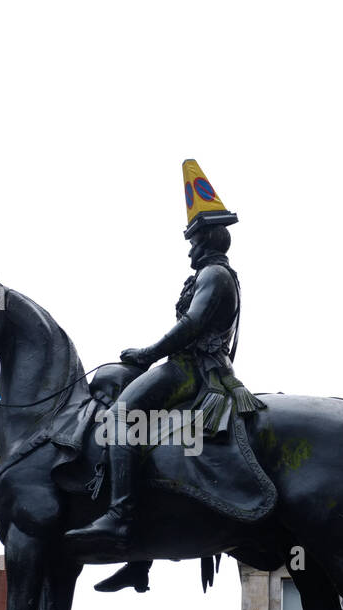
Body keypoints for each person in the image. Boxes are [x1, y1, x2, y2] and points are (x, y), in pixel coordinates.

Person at [73, 161, 263, 577]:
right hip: (192, 364)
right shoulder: (211, 275)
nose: (190, 245)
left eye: (193, 237)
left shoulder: (215, 274)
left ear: (209, 236)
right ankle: (139, 559)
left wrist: (147, 353)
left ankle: (121, 516)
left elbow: (191, 326)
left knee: (123, 415)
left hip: (196, 369)